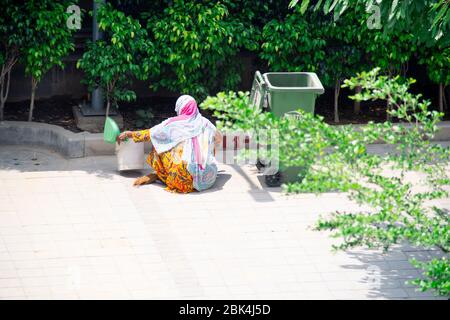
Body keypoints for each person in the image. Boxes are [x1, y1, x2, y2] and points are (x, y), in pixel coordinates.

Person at [117, 95, 222, 193]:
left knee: (158, 144)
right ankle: (193, 171)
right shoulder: (206, 123)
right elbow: (219, 139)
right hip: (206, 180)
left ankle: (162, 174)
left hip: (180, 182)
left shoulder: (173, 123)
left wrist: (130, 134)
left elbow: (151, 134)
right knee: (207, 144)